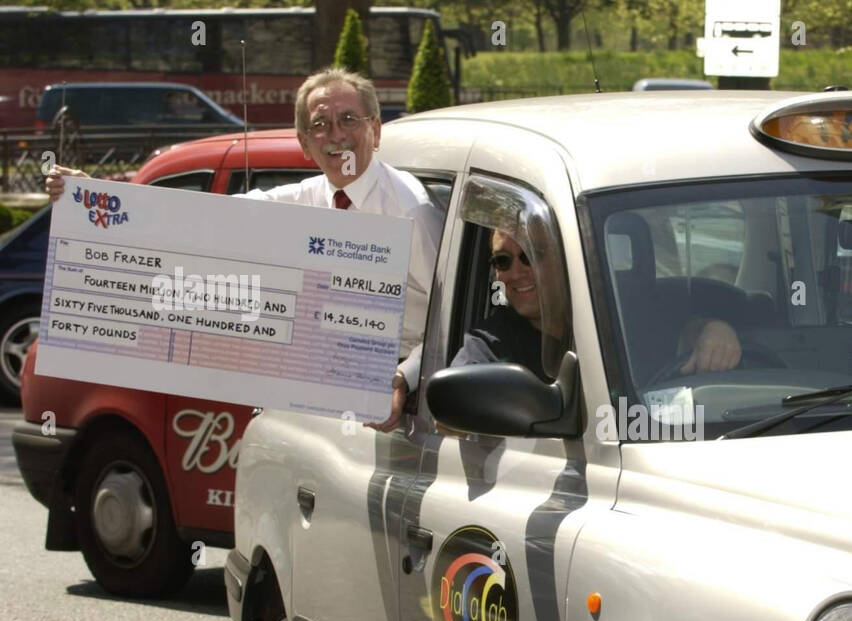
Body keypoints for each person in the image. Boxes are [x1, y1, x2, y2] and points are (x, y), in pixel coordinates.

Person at [46, 67, 441, 432]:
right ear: (305, 143)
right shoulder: (311, 199)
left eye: (348, 119)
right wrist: (95, 197)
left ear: (375, 129)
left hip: (403, 404)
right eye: (320, 124)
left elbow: (454, 318)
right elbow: (208, 218)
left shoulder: (410, 210)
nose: (336, 135)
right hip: (327, 392)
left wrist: (404, 377)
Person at [446, 229, 742, 383]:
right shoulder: (489, 342)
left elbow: (680, 333)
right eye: (502, 261)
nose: (516, 271)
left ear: (566, 257)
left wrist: (713, 330)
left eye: (531, 254)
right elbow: (454, 402)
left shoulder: (619, 318)